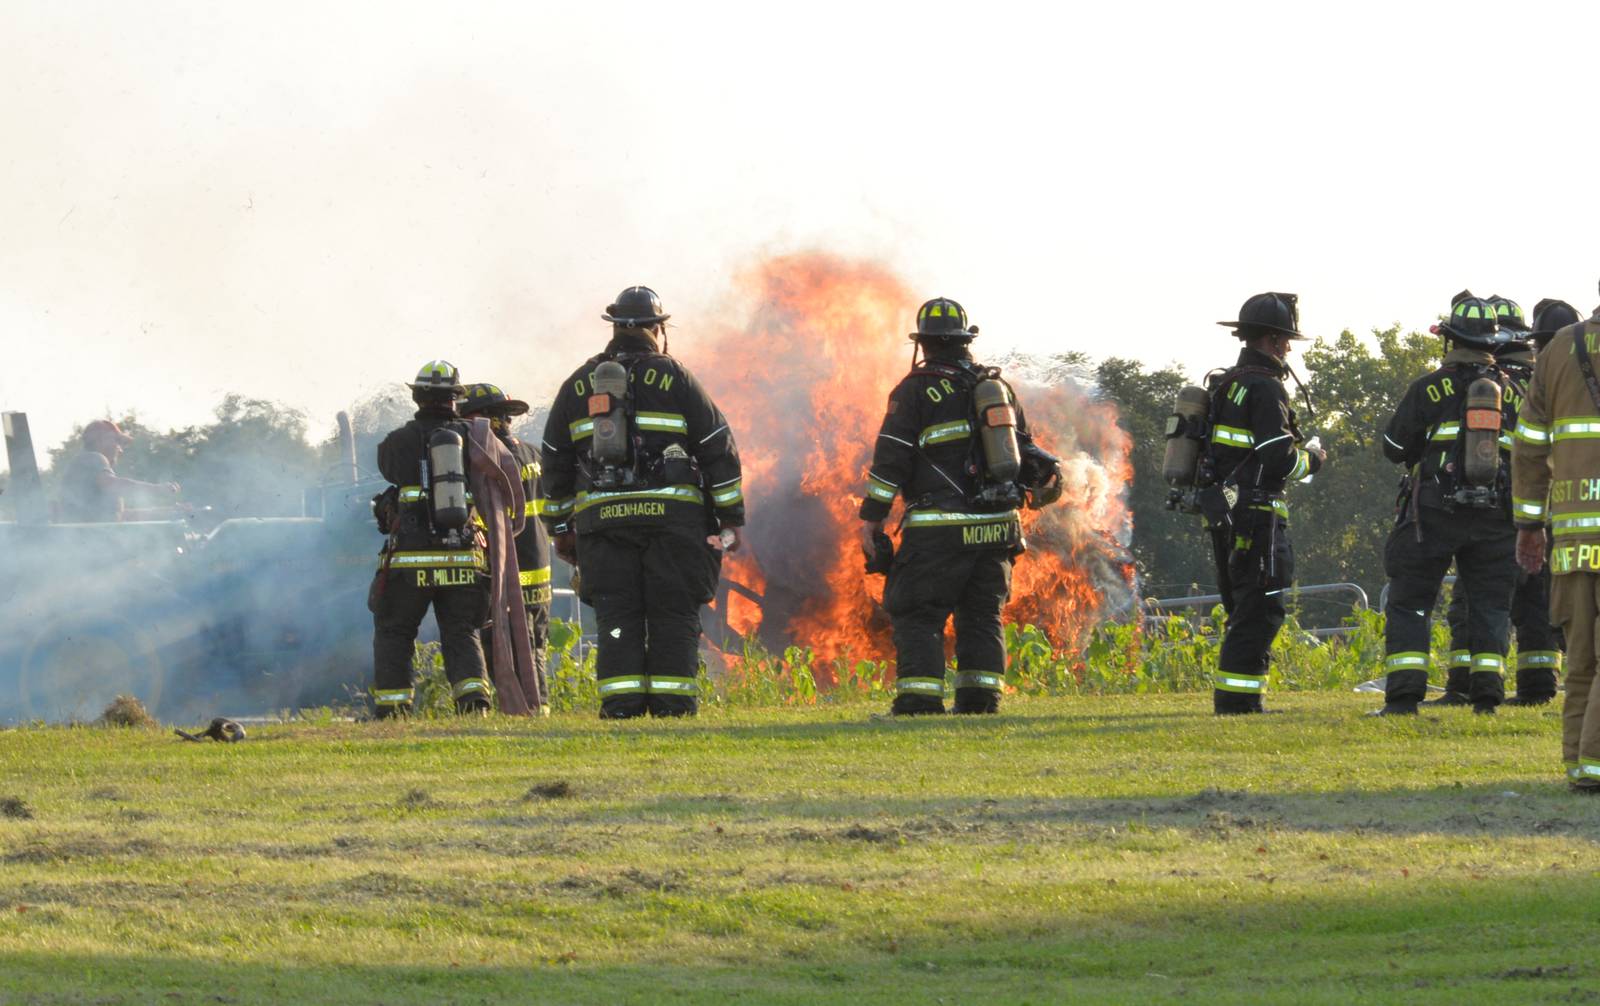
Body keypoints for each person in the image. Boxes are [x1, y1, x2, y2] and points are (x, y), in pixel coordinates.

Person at [539, 286, 745, 719]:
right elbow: (716, 447)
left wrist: (559, 530)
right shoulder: (677, 378)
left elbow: (554, 463)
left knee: (618, 614)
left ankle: (621, 705)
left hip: (603, 523)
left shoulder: (578, 384)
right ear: (657, 328)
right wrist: (731, 518)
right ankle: (673, 706)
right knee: (672, 612)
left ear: (614, 326)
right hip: (674, 522)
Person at [858, 297, 1062, 716]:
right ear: (965, 340)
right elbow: (1021, 451)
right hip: (999, 527)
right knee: (982, 615)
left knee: (917, 612)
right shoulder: (996, 389)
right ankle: (980, 700)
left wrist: (872, 520)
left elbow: (890, 460)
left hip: (939, 527)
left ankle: (918, 702)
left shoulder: (915, 389)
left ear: (925, 344)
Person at [1375, 293, 1519, 715]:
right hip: (1497, 514)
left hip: (1434, 512)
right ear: (1494, 344)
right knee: (1491, 605)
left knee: (1410, 601)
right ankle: (1488, 699)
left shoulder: (1427, 387)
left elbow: (1393, 445)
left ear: (1449, 340)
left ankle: (1403, 699)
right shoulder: (1512, 393)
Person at [1194, 292, 1325, 715]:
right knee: (1262, 606)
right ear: (1270, 339)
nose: (1288, 348)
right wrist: (1314, 461)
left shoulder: (1227, 385)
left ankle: (1240, 696)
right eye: (1285, 340)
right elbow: (1279, 458)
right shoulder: (1266, 389)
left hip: (1227, 511)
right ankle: (1239, 702)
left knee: (1242, 604)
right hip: (1258, 516)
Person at [1438, 299, 1561, 706]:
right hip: (1549, 509)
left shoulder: (1494, 385)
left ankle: (1464, 683)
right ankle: (1538, 685)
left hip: (1498, 513)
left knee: (1475, 598)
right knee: (1536, 600)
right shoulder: (1545, 380)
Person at [369, 361, 494, 717]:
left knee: (395, 632)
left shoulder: (395, 443)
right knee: (462, 631)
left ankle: (394, 712)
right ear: (456, 399)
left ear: (417, 397)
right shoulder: (479, 439)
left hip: (410, 561)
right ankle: (475, 706)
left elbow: (389, 471)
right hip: (464, 558)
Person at [1512, 287, 1600, 791]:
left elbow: (1527, 446)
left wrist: (1529, 526)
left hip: (1571, 537)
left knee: (1583, 659)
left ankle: (1580, 766)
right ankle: (1594, 764)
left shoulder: (1557, 350)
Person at [460, 382, 553, 715]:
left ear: (482, 418)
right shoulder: (533, 454)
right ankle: (539, 708)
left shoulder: (483, 459)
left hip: (501, 571)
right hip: (539, 568)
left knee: (501, 643)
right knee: (535, 644)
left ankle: (519, 709)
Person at [55, 420, 183, 523]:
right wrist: (158, 489)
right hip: (91, 549)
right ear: (100, 440)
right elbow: (114, 485)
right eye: (117, 441)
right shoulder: (94, 457)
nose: (120, 450)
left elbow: (121, 515)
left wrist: (170, 511)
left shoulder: (85, 464)